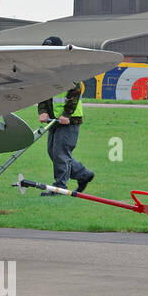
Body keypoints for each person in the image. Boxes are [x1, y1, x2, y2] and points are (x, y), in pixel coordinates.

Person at [37, 36, 94, 196]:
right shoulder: (45, 71)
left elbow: (75, 93)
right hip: (54, 119)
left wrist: (66, 114)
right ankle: (83, 174)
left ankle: (59, 188)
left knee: (61, 154)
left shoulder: (69, 69)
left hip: (69, 120)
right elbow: (42, 93)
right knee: (52, 152)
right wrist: (42, 111)